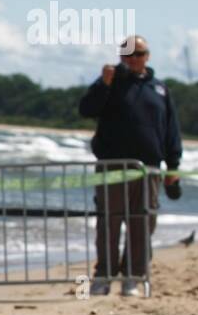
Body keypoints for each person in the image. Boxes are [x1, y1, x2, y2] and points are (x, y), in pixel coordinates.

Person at [78, 35, 183, 296]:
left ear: (147, 56)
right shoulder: (111, 83)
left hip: (148, 170)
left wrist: (173, 167)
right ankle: (103, 277)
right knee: (108, 225)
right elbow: (86, 109)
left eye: (139, 53)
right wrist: (103, 84)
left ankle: (132, 278)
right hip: (112, 168)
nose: (133, 58)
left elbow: (171, 130)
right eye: (127, 54)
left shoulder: (160, 89)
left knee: (142, 225)